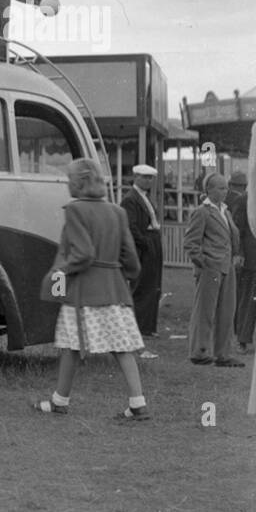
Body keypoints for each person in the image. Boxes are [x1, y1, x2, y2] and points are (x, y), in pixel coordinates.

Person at [34, 158, 150, 421]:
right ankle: (138, 402)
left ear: (79, 182)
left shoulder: (75, 211)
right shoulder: (117, 212)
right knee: (122, 347)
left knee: (71, 346)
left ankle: (60, 401)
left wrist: (59, 275)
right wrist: (124, 277)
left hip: (83, 292)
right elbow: (131, 259)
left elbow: (82, 253)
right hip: (115, 289)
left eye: (69, 179)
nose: (67, 184)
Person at [184, 172, 244, 367]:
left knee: (227, 311)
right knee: (205, 311)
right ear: (208, 190)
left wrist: (235, 255)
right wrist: (203, 262)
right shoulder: (202, 211)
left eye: (226, 188)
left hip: (227, 267)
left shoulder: (225, 211)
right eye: (219, 188)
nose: (224, 191)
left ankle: (223, 354)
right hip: (211, 268)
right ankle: (199, 352)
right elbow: (191, 242)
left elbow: (232, 237)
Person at [121, 162, 163, 354]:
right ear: (136, 177)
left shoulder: (146, 198)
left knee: (153, 284)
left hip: (152, 240)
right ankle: (138, 326)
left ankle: (148, 326)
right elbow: (131, 225)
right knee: (142, 286)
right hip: (143, 245)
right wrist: (145, 243)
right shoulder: (131, 199)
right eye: (145, 177)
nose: (148, 181)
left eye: (150, 178)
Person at [226, 178, 256, 351]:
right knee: (248, 300)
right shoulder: (245, 199)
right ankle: (243, 340)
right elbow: (237, 229)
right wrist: (239, 253)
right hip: (252, 259)